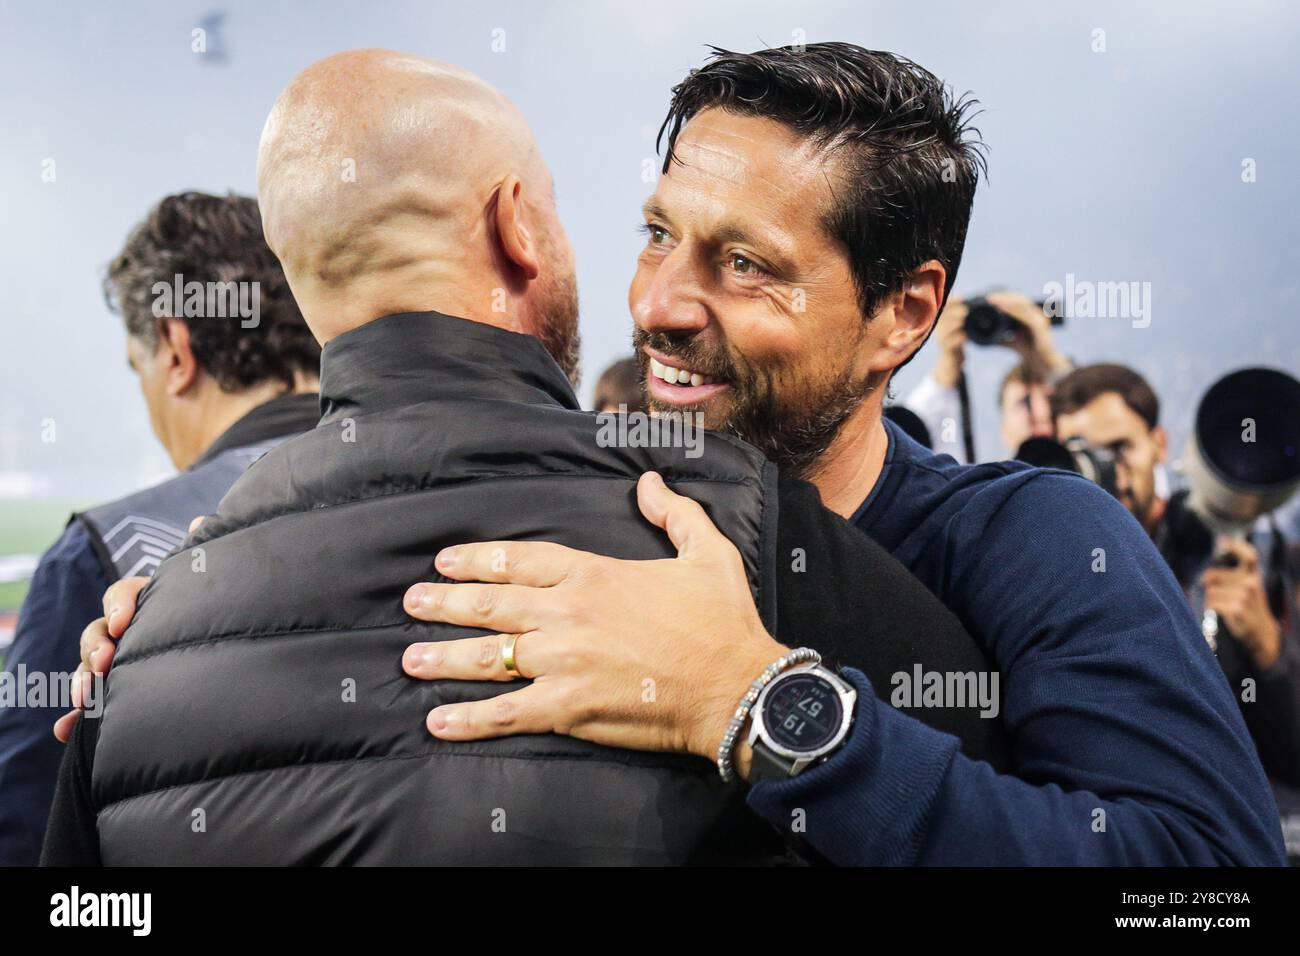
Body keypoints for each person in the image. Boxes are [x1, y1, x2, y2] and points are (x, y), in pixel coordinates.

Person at [72, 44, 1286, 866]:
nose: (658, 303)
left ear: (903, 315)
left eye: (744, 264)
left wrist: (765, 708)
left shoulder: (1034, 541)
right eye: (658, 233)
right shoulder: (556, 509)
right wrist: (181, 633)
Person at [0, 192, 320, 866]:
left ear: (175, 350)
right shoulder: (424, 489)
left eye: (135, 365)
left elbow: (24, 831)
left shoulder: (100, 554)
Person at [1052, 362, 1300, 786]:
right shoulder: (1054, 573)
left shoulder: (1233, 556)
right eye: (1085, 455)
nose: (1110, 471)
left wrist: (1266, 645)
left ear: (1159, 444)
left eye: (1120, 448)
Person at [904, 292, 1071, 462]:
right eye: (1024, 402)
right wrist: (949, 363)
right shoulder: (994, 476)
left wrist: (1049, 358)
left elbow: (1085, 407)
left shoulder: (1084, 461)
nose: (1042, 413)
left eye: (1052, 401)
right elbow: (905, 438)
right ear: (1003, 428)